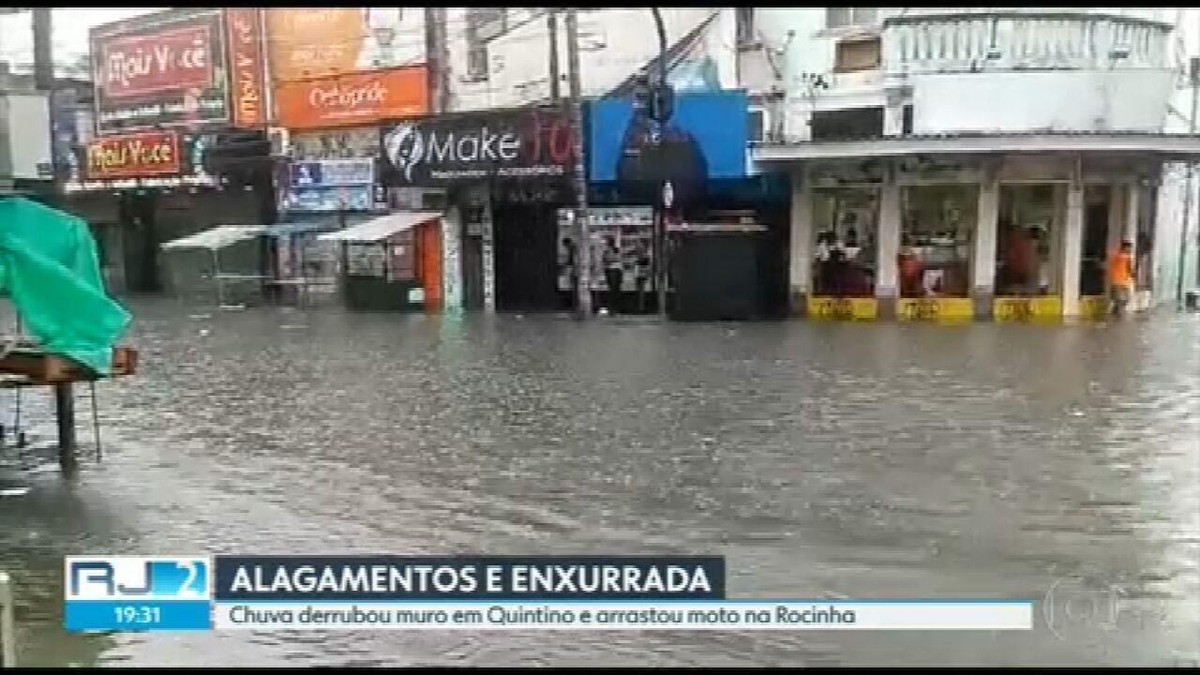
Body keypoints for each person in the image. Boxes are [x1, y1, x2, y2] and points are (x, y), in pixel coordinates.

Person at [1108, 240, 1135, 317]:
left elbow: (1130, 270)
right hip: (1118, 280)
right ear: (1124, 247)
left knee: (1125, 299)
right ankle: (1117, 314)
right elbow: (1129, 268)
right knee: (1120, 299)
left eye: (1130, 248)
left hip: (1124, 281)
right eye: (1129, 248)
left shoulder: (1123, 256)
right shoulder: (1121, 256)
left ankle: (1115, 312)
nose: (1130, 250)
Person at [601, 237, 623, 313]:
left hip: (612, 270)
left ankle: (613, 307)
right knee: (615, 289)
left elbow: (607, 260)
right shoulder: (614, 250)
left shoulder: (609, 251)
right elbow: (616, 259)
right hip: (615, 270)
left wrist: (609, 260)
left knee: (613, 289)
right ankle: (614, 307)